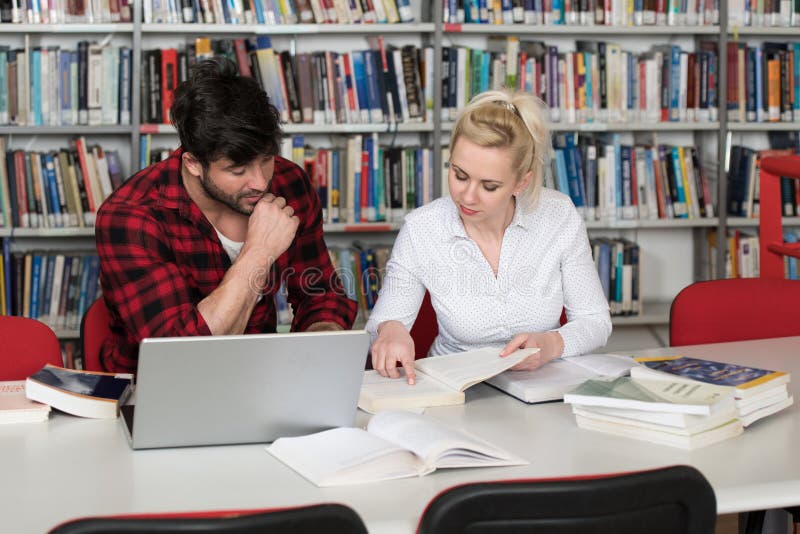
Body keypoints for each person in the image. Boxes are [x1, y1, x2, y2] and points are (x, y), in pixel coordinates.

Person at [95, 58, 357, 373]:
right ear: (193, 163)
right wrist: (258, 251)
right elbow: (180, 357)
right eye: (237, 170)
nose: (260, 182)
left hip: (260, 376)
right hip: (152, 389)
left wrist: (322, 337)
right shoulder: (131, 217)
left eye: (266, 160)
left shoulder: (290, 182)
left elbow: (320, 291)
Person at [366, 88, 612, 384]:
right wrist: (390, 330)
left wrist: (551, 344)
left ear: (521, 182)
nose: (467, 196)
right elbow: (382, 323)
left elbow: (595, 322)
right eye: (459, 175)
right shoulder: (422, 229)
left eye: (489, 186)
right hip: (459, 390)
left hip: (542, 388)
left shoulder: (558, 215)